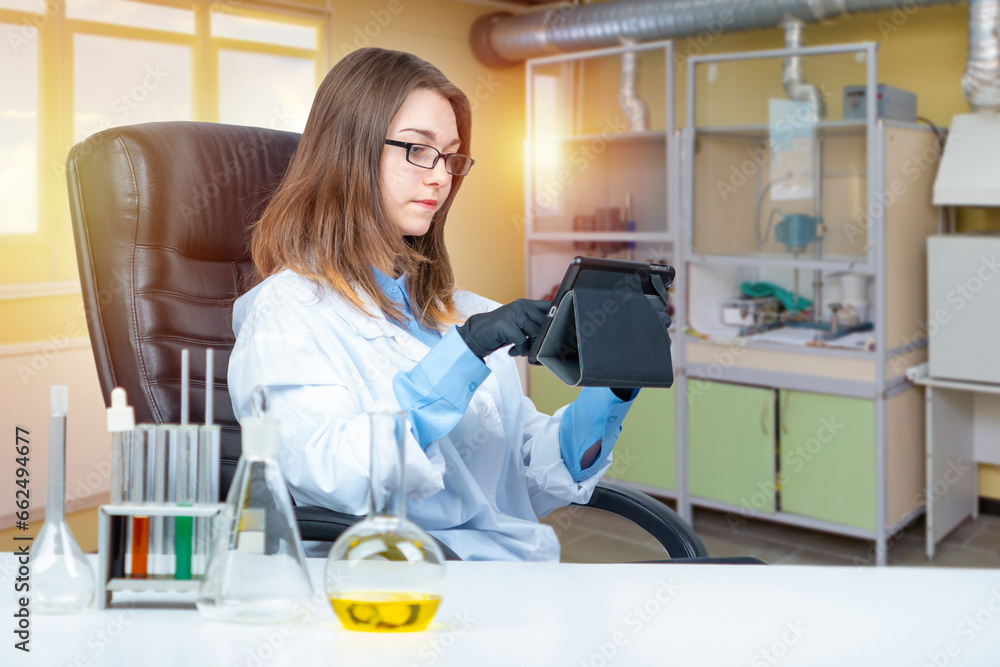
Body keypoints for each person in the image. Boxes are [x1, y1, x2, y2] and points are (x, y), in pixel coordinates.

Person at [228, 47, 659, 562]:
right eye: (418, 149)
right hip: (398, 579)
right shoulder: (287, 313)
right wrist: (464, 352)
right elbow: (334, 473)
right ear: (349, 152)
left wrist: (613, 382)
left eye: (450, 157)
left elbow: (528, 475)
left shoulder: (458, 310)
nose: (440, 177)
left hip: (510, 576)